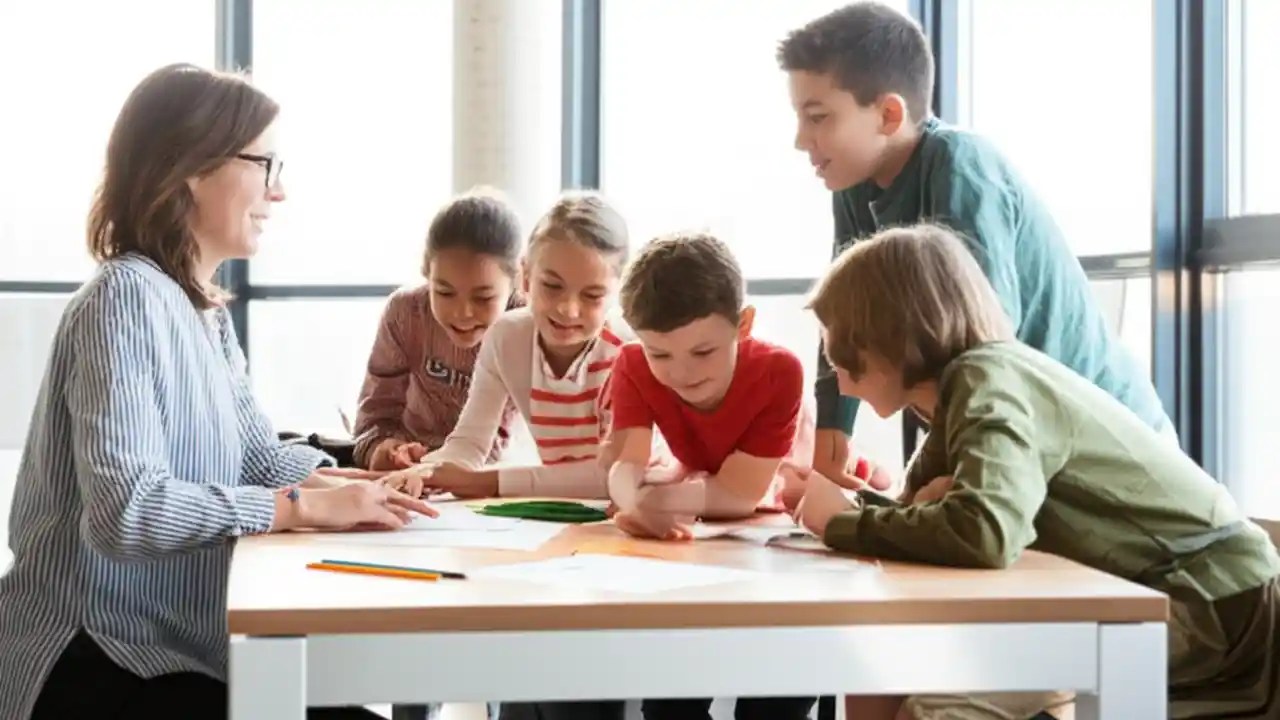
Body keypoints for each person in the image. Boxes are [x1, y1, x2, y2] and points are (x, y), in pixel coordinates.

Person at [0, 63, 433, 720]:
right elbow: (128, 511)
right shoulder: (122, 301)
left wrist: (369, 480)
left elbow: (259, 458)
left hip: (173, 648)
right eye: (266, 164)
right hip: (92, 659)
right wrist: (298, 507)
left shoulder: (202, 313)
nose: (279, 192)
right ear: (191, 167)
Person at [795, 223, 1280, 720]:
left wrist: (844, 522)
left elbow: (983, 530)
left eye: (850, 364)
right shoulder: (963, 394)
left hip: (1209, 597)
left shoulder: (987, 380)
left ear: (898, 338)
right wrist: (849, 506)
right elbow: (921, 514)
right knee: (892, 668)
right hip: (1172, 591)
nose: (845, 388)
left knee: (937, 708)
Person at [776, 1, 1171, 491]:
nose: (800, 139)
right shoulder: (854, 185)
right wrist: (833, 431)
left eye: (817, 117)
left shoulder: (961, 168)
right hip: (1023, 440)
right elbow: (843, 315)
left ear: (888, 114)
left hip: (1108, 451)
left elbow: (984, 348)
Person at [605, 231, 817, 720]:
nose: (680, 373)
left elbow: (742, 494)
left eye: (703, 353)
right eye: (661, 354)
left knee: (775, 694)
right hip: (709, 520)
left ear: (743, 325)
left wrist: (655, 502)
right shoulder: (633, 365)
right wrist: (633, 503)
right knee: (670, 699)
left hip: (781, 505)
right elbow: (626, 464)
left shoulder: (779, 370)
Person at [379, 192, 631, 501]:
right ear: (525, 278)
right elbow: (469, 443)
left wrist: (485, 483)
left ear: (617, 293)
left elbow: (618, 474)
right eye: (551, 286)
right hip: (572, 508)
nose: (568, 309)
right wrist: (421, 473)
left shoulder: (627, 353)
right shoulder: (507, 337)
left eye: (592, 295)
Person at [353, 187, 522, 471]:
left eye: (483, 298)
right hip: (408, 471)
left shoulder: (526, 326)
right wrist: (383, 451)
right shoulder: (406, 314)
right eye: (444, 292)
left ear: (519, 281)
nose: (463, 313)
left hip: (494, 479)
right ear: (426, 273)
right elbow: (373, 418)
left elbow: (503, 442)